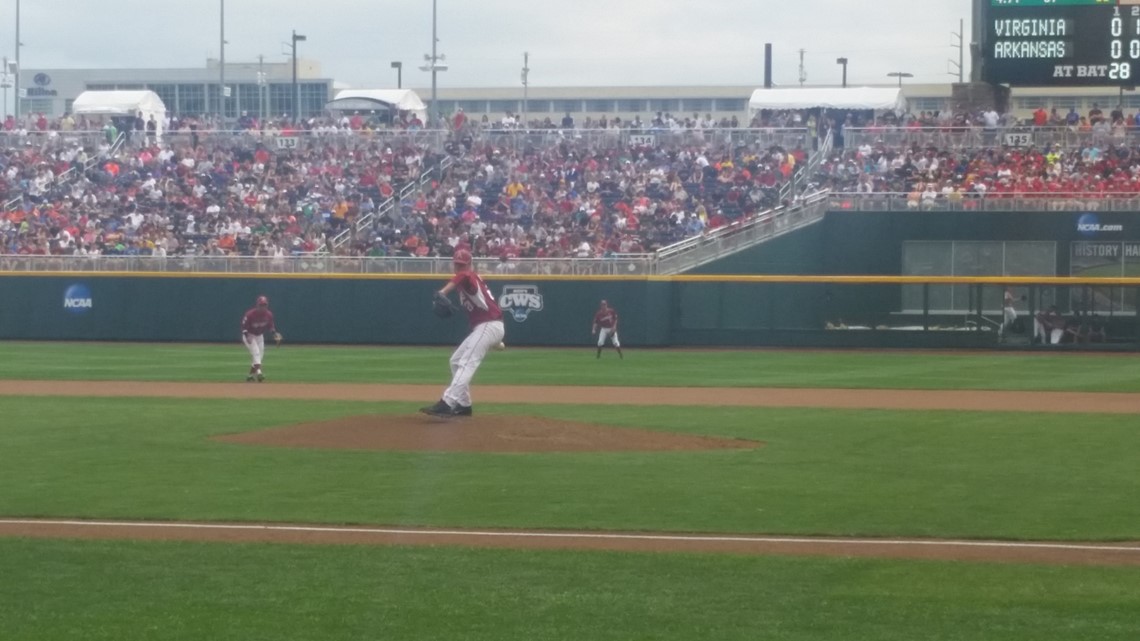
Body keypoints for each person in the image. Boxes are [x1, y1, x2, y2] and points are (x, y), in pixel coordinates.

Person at [420, 249, 505, 417]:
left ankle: (447, 402)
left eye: (462, 265)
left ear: (469, 264)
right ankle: (464, 405)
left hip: (489, 325)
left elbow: (464, 276)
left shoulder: (468, 276)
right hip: (486, 327)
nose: (459, 268)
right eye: (457, 265)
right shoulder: (468, 280)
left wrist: (443, 292)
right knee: (456, 361)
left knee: (467, 362)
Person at [241, 295, 280, 382]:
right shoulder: (250, 314)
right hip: (249, 335)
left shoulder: (269, 315)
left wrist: (275, 334)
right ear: (257, 305)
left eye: (264, 305)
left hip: (259, 336)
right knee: (256, 353)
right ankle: (259, 373)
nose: (263, 307)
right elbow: (244, 327)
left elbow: (271, 326)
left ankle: (250, 376)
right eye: (261, 305)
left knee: (259, 357)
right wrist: (247, 336)